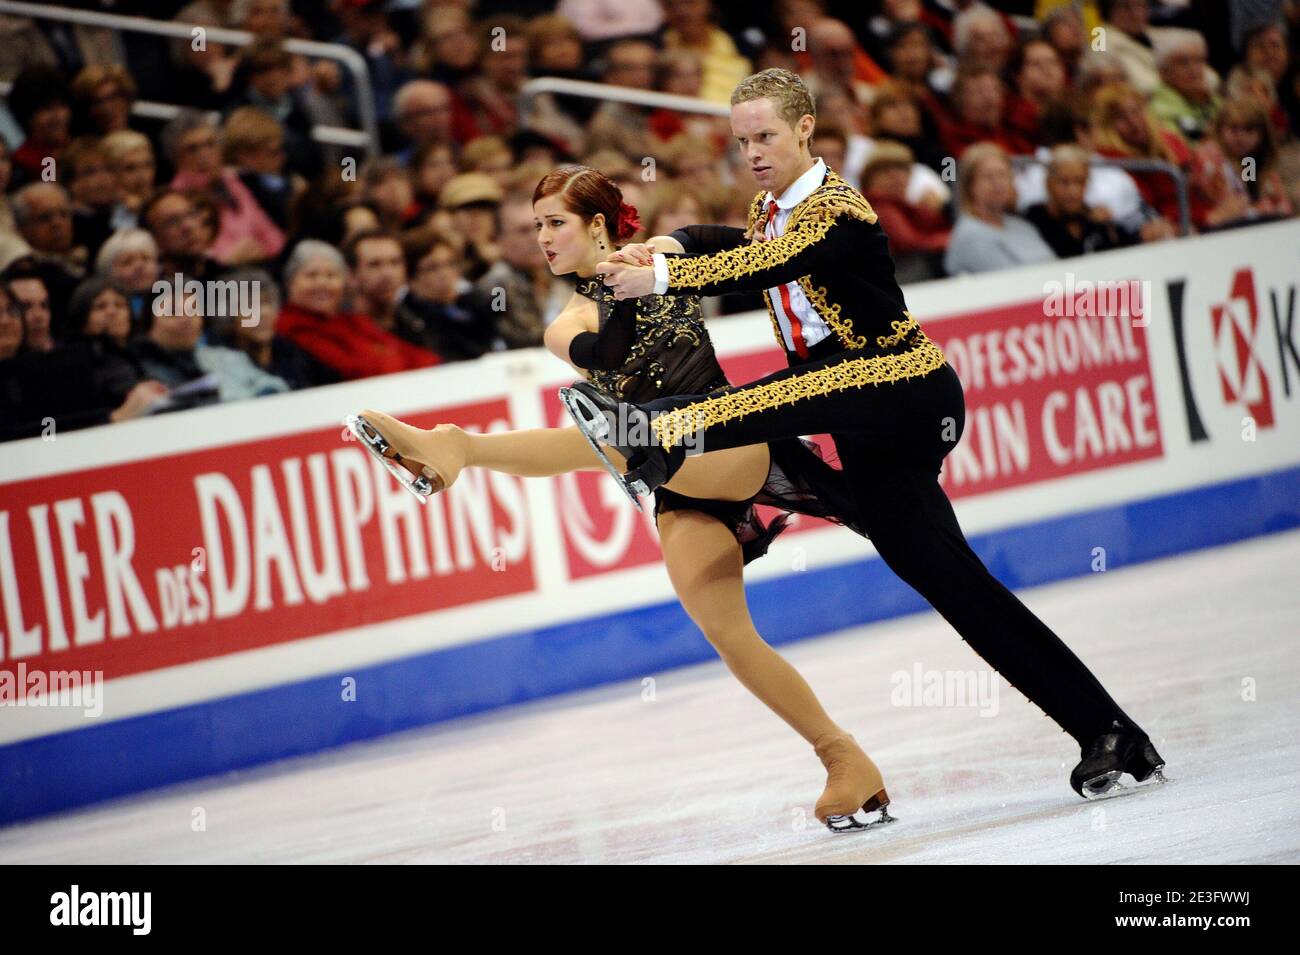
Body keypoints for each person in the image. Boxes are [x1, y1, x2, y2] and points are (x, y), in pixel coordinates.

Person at [568, 68, 1165, 800]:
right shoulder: (769, 207)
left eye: (766, 136)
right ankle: (1109, 731)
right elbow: (739, 241)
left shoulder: (837, 209)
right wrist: (672, 242)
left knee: (787, 395)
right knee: (952, 581)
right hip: (860, 420)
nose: (752, 151)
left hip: (901, 386)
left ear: (806, 128)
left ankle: (657, 428)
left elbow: (772, 261)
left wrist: (663, 277)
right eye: (742, 140)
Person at [350, 165, 892, 833]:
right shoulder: (564, 325)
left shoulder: (666, 254)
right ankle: (844, 759)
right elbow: (609, 347)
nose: (542, 238)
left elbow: (759, 255)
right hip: (672, 483)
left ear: (598, 226)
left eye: (555, 223)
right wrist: (629, 285)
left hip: (728, 437)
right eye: (535, 226)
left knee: (602, 431)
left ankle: (465, 447)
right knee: (729, 633)